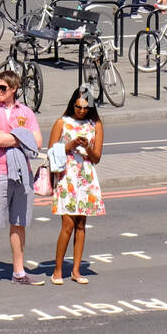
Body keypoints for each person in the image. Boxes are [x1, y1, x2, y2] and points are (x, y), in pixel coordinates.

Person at [0, 69, 44, 292]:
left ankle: (19, 272)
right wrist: (20, 137)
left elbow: (37, 141)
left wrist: (15, 139)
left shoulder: (25, 111)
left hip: (22, 172)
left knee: (19, 223)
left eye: (3, 88)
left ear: (14, 89)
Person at [48, 84, 105, 285]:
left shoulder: (95, 125)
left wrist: (87, 147)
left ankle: (76, 270)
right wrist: (70, 145)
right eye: (78, 107)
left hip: (86, 177)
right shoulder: (61, 122)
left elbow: (97, 157)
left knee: (81, 224)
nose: (81, 111)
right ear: (73, 104)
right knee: (68, 224)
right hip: (67, 176)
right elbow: (51, 151)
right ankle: (57, 270)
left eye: (85, 107)